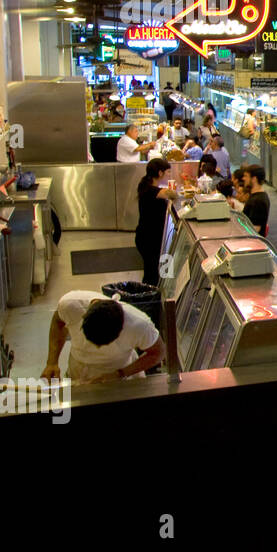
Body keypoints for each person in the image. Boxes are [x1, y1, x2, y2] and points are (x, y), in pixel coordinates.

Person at [41, 292, 164, 383]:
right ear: (84, 317)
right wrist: (52, 362)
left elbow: (158, 352)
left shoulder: (139, 325)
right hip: (79, 368)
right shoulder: (71, 305)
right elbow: (58, 321)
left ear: (121, 329)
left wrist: (121, 373)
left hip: (120, 372)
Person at [135, 158, 181, 286]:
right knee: (152, 274)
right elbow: (172, 194)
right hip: (149, 239)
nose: (169, 175)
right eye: (168, 172)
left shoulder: (146, 186)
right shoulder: (153, 191)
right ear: (160, 173)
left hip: (148, 237)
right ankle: (151, 298)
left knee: (153, 272)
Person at [237, 164, 270, 236]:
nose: (243, 178)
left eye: (246, 176)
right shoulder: (255, 197)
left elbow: (255, 229)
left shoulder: (258, 201)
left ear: (254, 179)